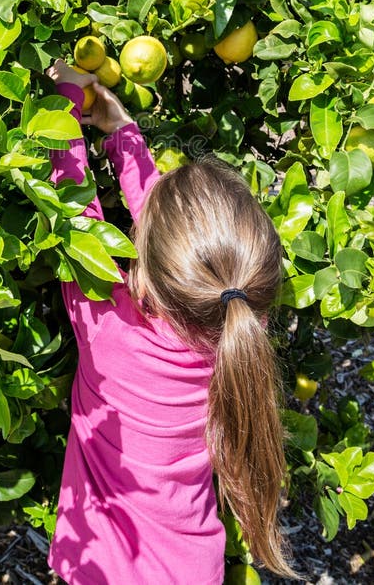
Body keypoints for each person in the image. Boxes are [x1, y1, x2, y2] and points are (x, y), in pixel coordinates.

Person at [46, 59, 294, 584]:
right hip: (190, 568)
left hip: (97, 565)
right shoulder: (237, 325)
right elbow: (185, 249)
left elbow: (70, 207)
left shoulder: (108, 328)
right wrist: (122, 132)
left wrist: (67, 94)